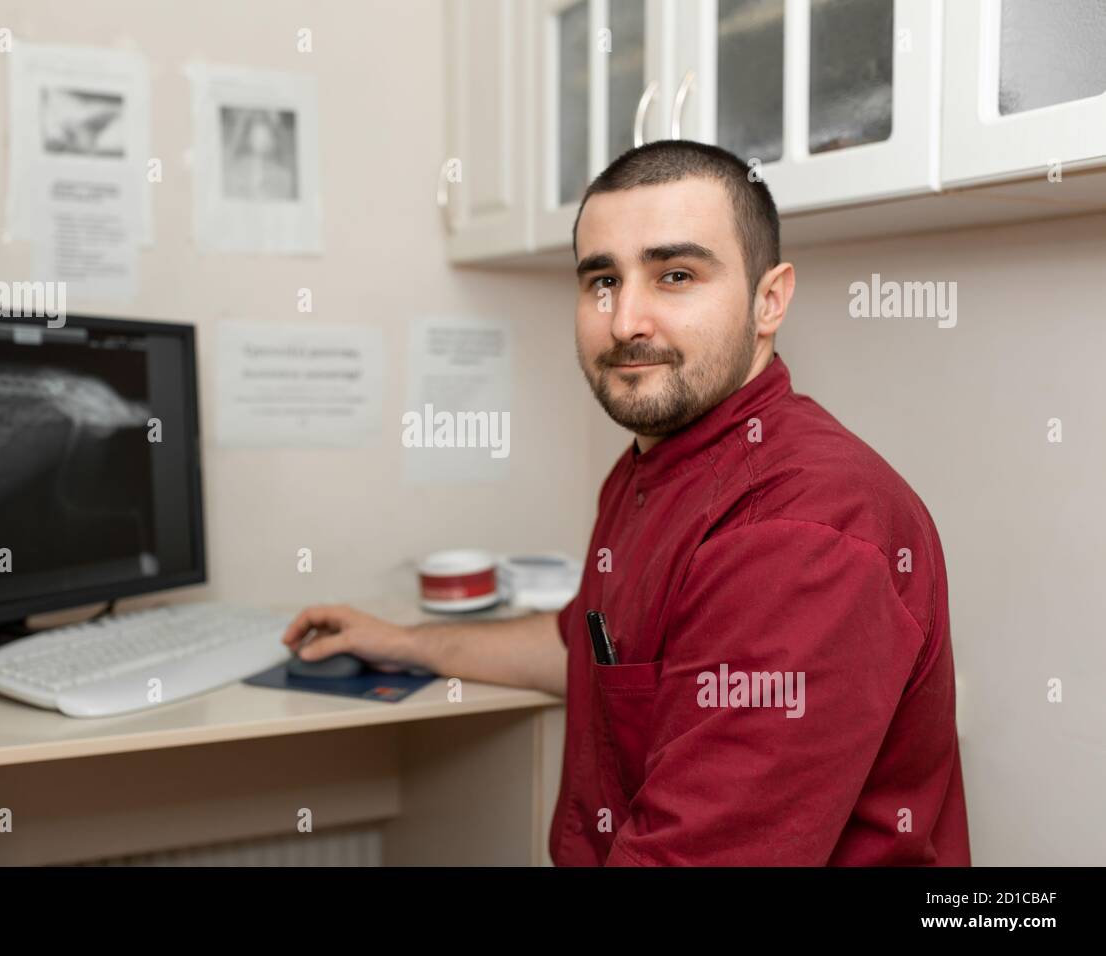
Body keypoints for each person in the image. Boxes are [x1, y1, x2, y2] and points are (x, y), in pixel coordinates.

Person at [281, 140, 970, 866]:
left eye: (675, 274)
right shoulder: (656, 460)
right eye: (602, 281)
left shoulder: (803, 530)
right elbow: (591, 649)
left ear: (769, 300)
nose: (624, 321)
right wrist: (402, 643)